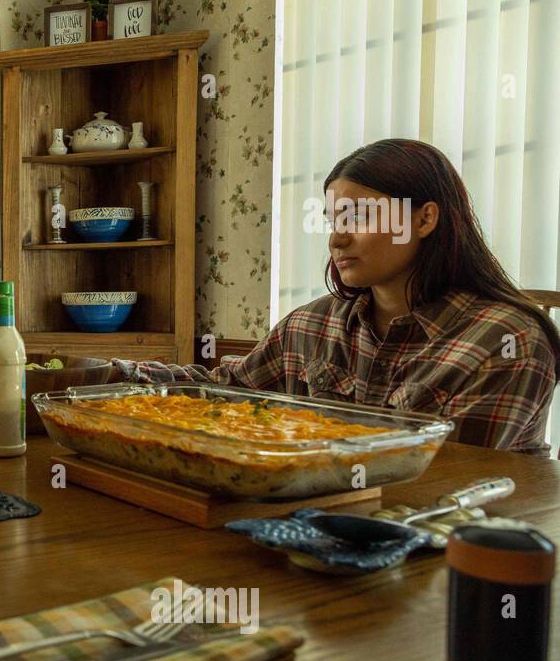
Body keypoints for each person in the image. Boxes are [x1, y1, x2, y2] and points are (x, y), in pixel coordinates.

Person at [115, 138, 559, 455]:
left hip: (451, 567)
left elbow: (442, 477)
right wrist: (112, 375)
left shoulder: (506, 341)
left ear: (425, 219)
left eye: (360, 216)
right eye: (332, 220)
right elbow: (221, 392)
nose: (337, 239)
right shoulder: (310, 326)